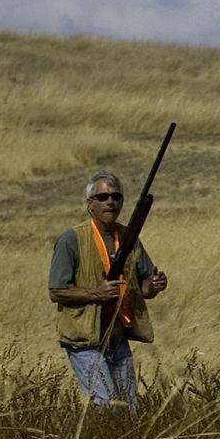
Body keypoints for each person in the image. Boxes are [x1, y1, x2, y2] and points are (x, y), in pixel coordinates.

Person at [48, 170, 170, 409]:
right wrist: (97, 293)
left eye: (116, 196)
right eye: (102, 197)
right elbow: (56, 291)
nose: (110, 202)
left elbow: (144, 286)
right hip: (85, 341)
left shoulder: (129, 237)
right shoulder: (71, 239)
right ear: (90, 204)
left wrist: (155, 285)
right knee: (107, 406)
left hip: (117, 338)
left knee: (130, 407)